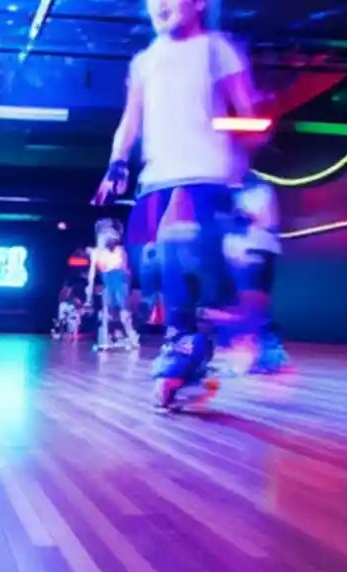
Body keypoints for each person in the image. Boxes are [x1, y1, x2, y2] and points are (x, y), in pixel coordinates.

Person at [94, 0, 257, 407]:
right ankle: (188, 343)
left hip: (206, 173)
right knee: (152, 265)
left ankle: (198, 339)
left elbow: (248, 111)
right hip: (157, 178)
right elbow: (130, 119)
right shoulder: (145, 61)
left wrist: (243, 139)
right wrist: (117, 162)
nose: (160, 4)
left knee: (183, 254)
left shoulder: (217, 49)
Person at [223, 172, 287, 372]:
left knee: (251, 305)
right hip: (247, 250)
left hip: (254, 249)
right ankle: (268, 355)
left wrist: (234, 212)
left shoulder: (257, 188)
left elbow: (264, 220)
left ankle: (264, 355)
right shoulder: (234, 188)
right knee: (248, 306)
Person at [86, 218, 138, 350]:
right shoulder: (96, 253)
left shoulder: (119, 251)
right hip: (109, 284)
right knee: (106, 312)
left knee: (123, 312)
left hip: (119, 283)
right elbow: (91, 276)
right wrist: (89, 297)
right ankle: (105, 338)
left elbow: (126, 272)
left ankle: (131, 337)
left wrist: (127, 288)